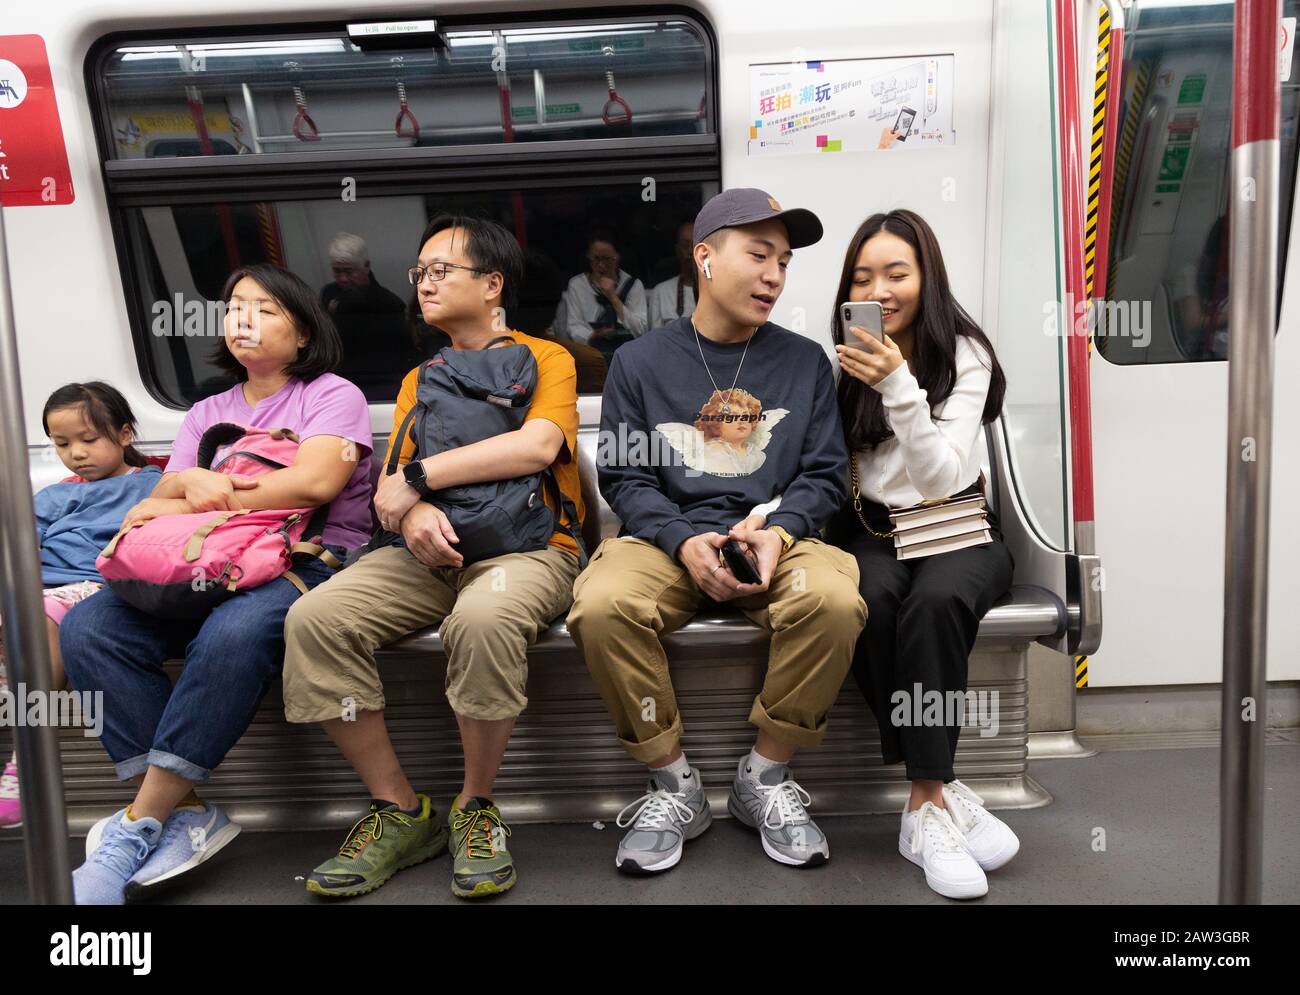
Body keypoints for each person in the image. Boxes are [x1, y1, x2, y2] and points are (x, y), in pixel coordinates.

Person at [282, 214, 585, 900]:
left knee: (481, 620)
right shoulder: (423, 376)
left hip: (532, 546)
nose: (423, 283)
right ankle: (399, 809)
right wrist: (414, 511)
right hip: (427, 552)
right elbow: (391, 488)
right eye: (419, 273)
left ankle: (473, 805)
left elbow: (537, 447)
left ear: (492, 283)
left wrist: (421, 483)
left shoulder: (549, 358)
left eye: (440, 270)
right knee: (316, 620)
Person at [567, 188, 867, 875]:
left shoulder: (803, 361)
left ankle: (763, 775)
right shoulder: (640, 362)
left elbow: (824, 473)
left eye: (784, 262)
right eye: (758, 255)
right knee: (601, 604)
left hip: (772, 537)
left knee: (834, 600)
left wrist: (782, 531)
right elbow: (626, 478)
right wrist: (680, 539)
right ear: (704, 258)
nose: (774, 276)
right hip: (668, 541)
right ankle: (674, 782)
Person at [60, 264, 372, 904]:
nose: (241, 321)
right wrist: (184, 492)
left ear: (305, 331)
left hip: (305, 558)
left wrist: (206, 489)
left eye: (262, 309)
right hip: (208, 563)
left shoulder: (331, 394)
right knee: (90, 627)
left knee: (232, 635)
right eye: (233, 309)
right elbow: (154, 505)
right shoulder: (207, 410)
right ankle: (185, 812)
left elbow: (314, 486)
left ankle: (139, 823)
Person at [829, 208, 1017, 900]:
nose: (880, 289)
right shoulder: (846, 360)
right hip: (877, 532)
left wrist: (898, 384)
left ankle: (923, 802)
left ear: (925, 276)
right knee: (865, 601)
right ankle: (944, 791)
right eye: (864, 275)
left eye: (896, 273)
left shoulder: (965, 353)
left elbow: (941, 477)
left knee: (934, 604)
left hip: (959, 526)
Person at [0, 383, 162, 828]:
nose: (77, 453)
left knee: (41, 619)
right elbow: (20, 544)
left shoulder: (153, 486)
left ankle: (24, 756)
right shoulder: (52, 496)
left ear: (125, 435)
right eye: (63, 444)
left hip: (93, 585)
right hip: (39, 586)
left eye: (89, 440)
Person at [320, 232, 416, 400]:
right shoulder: (328, 295)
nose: (342, 278)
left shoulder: (389, 303)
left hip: (384, 383)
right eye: (337, 271)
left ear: (366, 266)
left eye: (349, 272)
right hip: (340, 382)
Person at [559, 232, 648, 359]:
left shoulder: (634, 285)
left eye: (606, 259)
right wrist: (593, 335)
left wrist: (613, 297)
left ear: (617, 257)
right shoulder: (577, 285)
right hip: (591, 354)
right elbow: (574, 326)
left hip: (627, 354)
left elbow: (641, 330)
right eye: (595, 259)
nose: (601, 265)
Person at [647, 222, 698, 328]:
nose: (690, 250)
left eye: (695, 245)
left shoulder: (716, 290)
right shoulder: (661, 291)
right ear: (677, 250)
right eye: (685, 245)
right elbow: (654, 337)